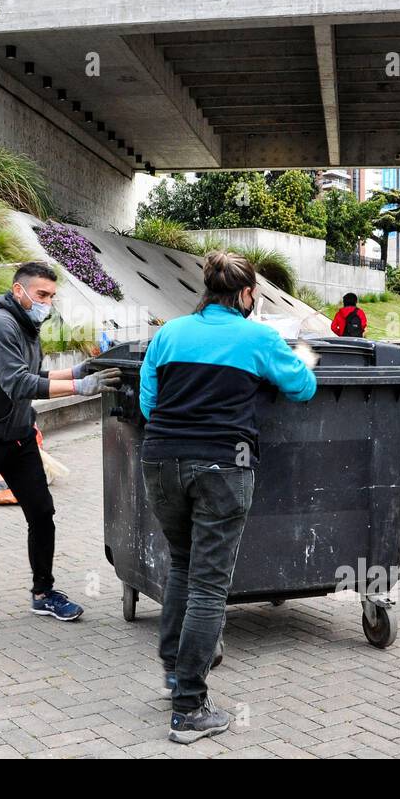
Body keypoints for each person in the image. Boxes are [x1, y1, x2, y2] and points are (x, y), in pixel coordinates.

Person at [138, 251, 317, 744]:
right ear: (245, 295)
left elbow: (148, 401)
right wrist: (301, 360)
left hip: (160, 460)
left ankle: (175, 671)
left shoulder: (169, 333)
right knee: (210, 586)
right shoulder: (258, 337)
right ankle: (189, 708)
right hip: (222, 466)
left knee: (181, 564)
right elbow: (302, 388)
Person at [0, 262, 122, 631]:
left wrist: (79, 371)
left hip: (17, 434)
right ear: (19, 292)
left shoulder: (27, 326)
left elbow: (37, 377)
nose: (47, 302)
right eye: (42, 295)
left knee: (41, 513)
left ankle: (43, 593)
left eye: (51, 296)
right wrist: (82, 388)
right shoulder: (0, 326)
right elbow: (17, 383)